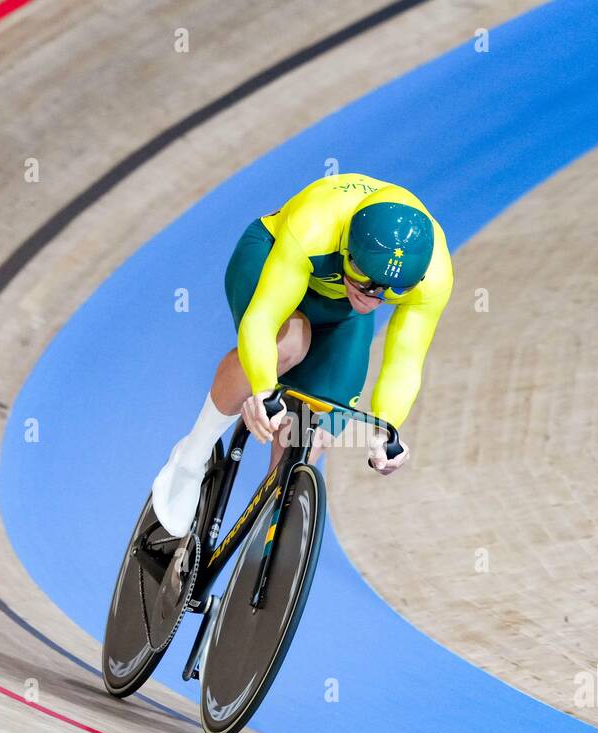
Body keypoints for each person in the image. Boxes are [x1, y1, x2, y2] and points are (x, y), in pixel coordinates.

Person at [152, 172, 453, 537]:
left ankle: (266, 549)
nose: (373, 297)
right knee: (290, 343)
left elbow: (405, 363)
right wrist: (263, 388)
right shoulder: (315, 225)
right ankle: (191, 457)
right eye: (363, 277)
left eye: (392, 291)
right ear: (346, 249)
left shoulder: (433, 277)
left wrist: (385, 428)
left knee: (316, 431)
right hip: (270, 261)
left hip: (337, 310)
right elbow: (261, 320)